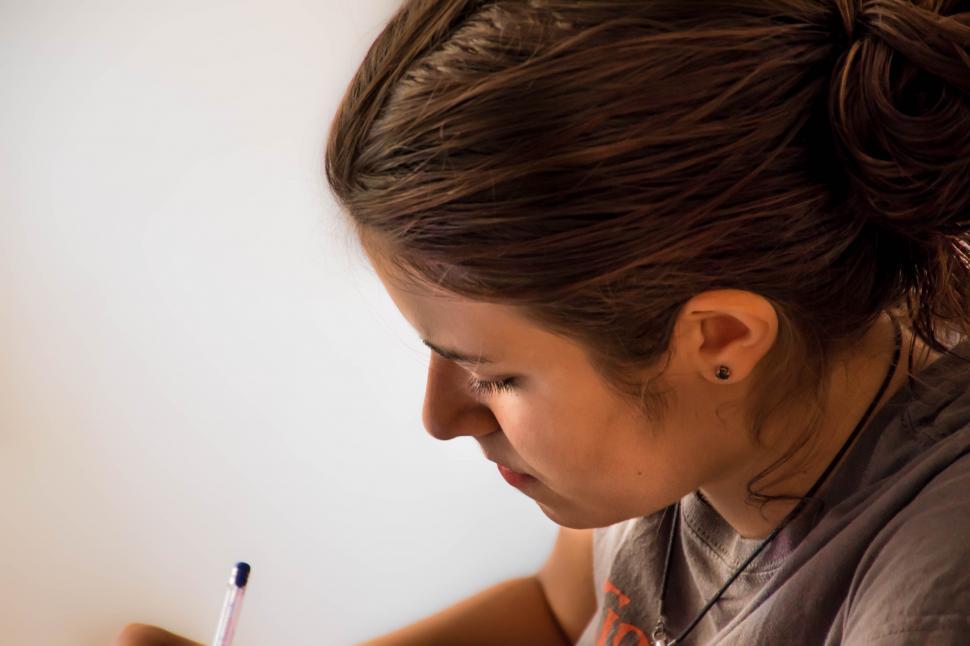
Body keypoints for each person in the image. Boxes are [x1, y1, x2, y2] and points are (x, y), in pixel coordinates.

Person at [115, 0, 970, 644]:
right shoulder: (678, 451)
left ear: (719, 341)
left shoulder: (930, 586)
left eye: (492, 374)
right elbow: (561, 610)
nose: (440, 417)